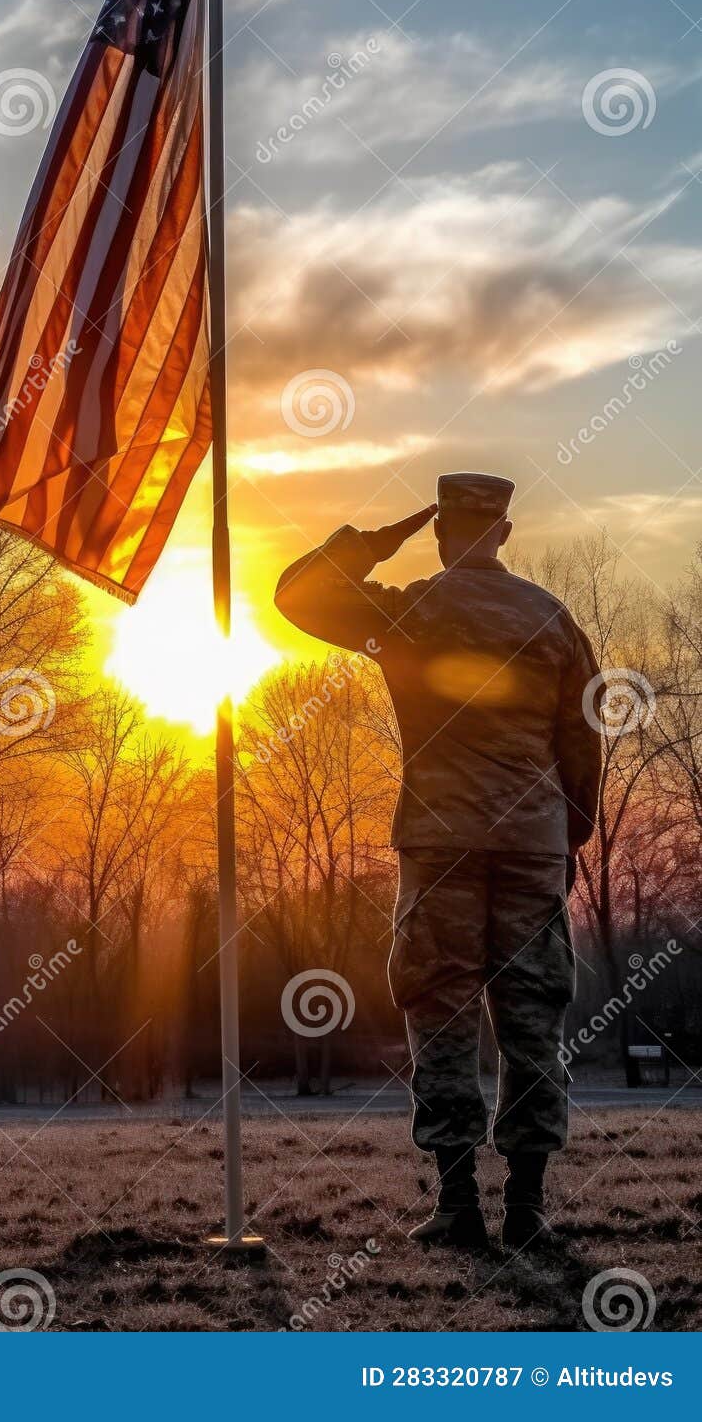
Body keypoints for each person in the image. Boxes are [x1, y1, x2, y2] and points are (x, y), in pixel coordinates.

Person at [275, 474, 602, 1252]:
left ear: (440, 530)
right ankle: (527, 1208)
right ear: (506, 532)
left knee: (441, 1014)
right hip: (530, 841)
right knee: (532, 1023)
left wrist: (376, 539)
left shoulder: (412, 609)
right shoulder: (552, 620)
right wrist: (569, 835)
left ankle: (458, 1205)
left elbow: (298, 595)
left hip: (440, 841)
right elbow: (583, 738)